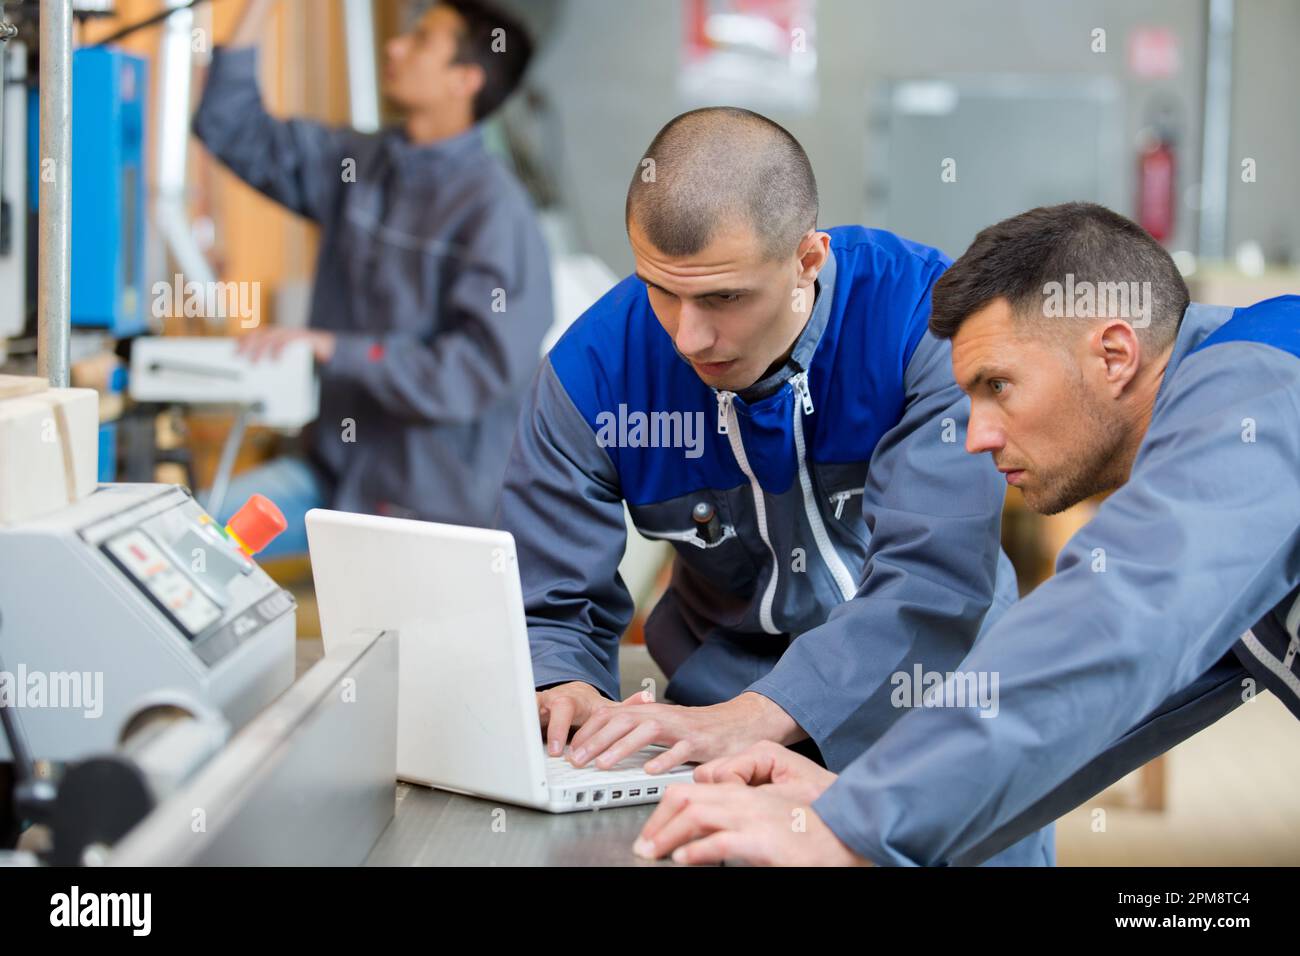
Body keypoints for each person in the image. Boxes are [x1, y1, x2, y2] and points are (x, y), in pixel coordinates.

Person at [633, 202, 1300, 866]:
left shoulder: (1260, 381)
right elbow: (1104, 714)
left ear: (1115, 353)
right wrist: (860, 802)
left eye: (998, 386)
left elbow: (1108, 625)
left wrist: (855, 823)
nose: (976, 436)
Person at [496, 107, 1053, 865]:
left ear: (807, 259)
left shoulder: (929, 324)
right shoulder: (590, 373)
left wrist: (772, 711)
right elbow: (549, 602)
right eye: (661, 289)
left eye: (724, 298)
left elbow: (931, 581)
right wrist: (561, 684)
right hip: (718, 706)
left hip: (939, 693)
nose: (688, 336)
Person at [191, 0, 552, 554]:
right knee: (189, 538)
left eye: (422, 40)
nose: (395, 46)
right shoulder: (360, 166)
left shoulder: (497, 214)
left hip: (431, 516)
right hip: (331, 480)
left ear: (465, 79)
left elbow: (473, 371)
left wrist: (336, 349)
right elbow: (230, 124)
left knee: (380, 640)